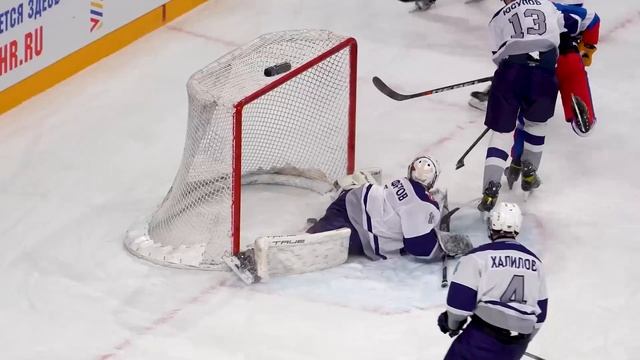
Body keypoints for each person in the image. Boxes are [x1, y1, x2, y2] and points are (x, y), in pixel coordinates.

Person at [225, 155, 473, 284]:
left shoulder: (404, 183)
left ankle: (319, 226)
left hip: (351, 199)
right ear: (433, 179)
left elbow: (409, 209)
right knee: (317, 246)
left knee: (326, 228)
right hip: (357, 228)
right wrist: (443, 246)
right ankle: (252, 259)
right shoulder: (422, 206)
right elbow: (418, 246)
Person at [478, 0, 573, 212]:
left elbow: (497, 55)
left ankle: (490, 188)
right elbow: (561, 32)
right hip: (545, 73)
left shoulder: (498, 17)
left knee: (502, 133)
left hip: (512, 72)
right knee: (536, 125)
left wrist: (508, 72)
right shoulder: (548, 5)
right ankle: (529, 170)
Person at [437, 202, 548, 360]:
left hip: (483, 339)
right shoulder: (536, 263)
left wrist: (451, 323)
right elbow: (540, 315)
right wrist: (518, 343)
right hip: (517, 344)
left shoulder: (477, 257)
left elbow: (458, 307)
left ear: (492, 224)